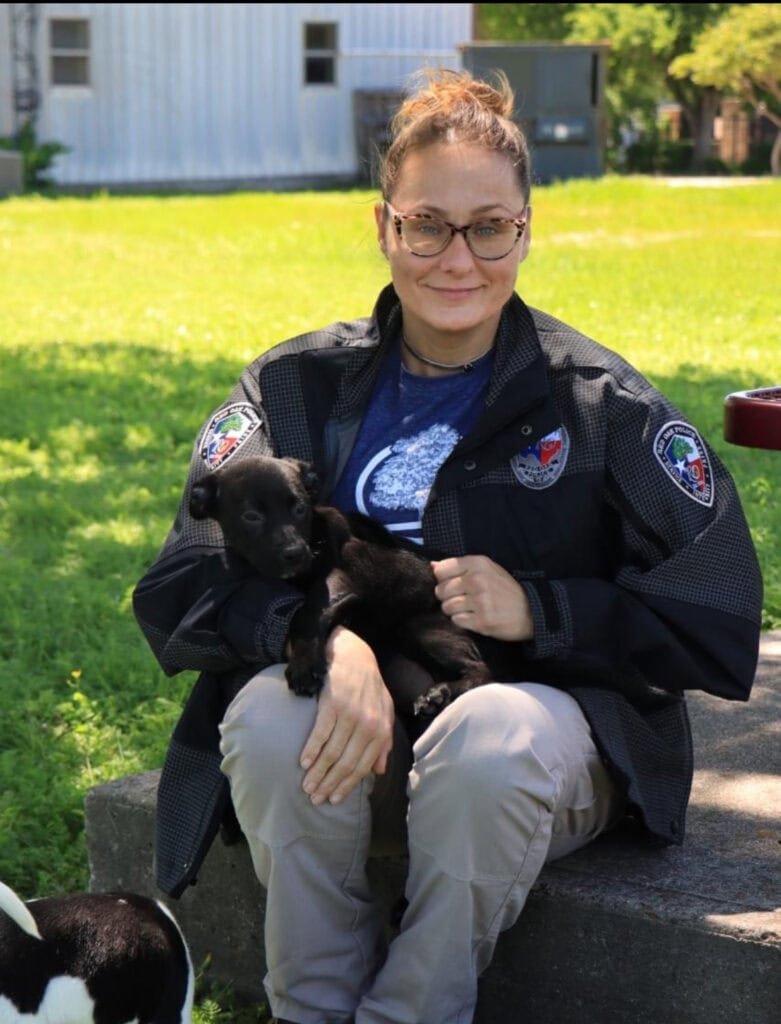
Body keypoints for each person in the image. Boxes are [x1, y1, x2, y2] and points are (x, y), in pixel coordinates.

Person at [133, 69, 764, 1024]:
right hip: (353, 745)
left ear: (525, 231)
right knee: (268, 720)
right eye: (427, 225)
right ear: (384, 227)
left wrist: (543, 610)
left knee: (485, 739)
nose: (457, 258)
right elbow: (179, 581)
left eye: (488, 227)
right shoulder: (293, 387)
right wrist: (325, 637)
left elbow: (716, 611)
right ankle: (310, 1009)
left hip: (527, 754)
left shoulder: (600, 405)